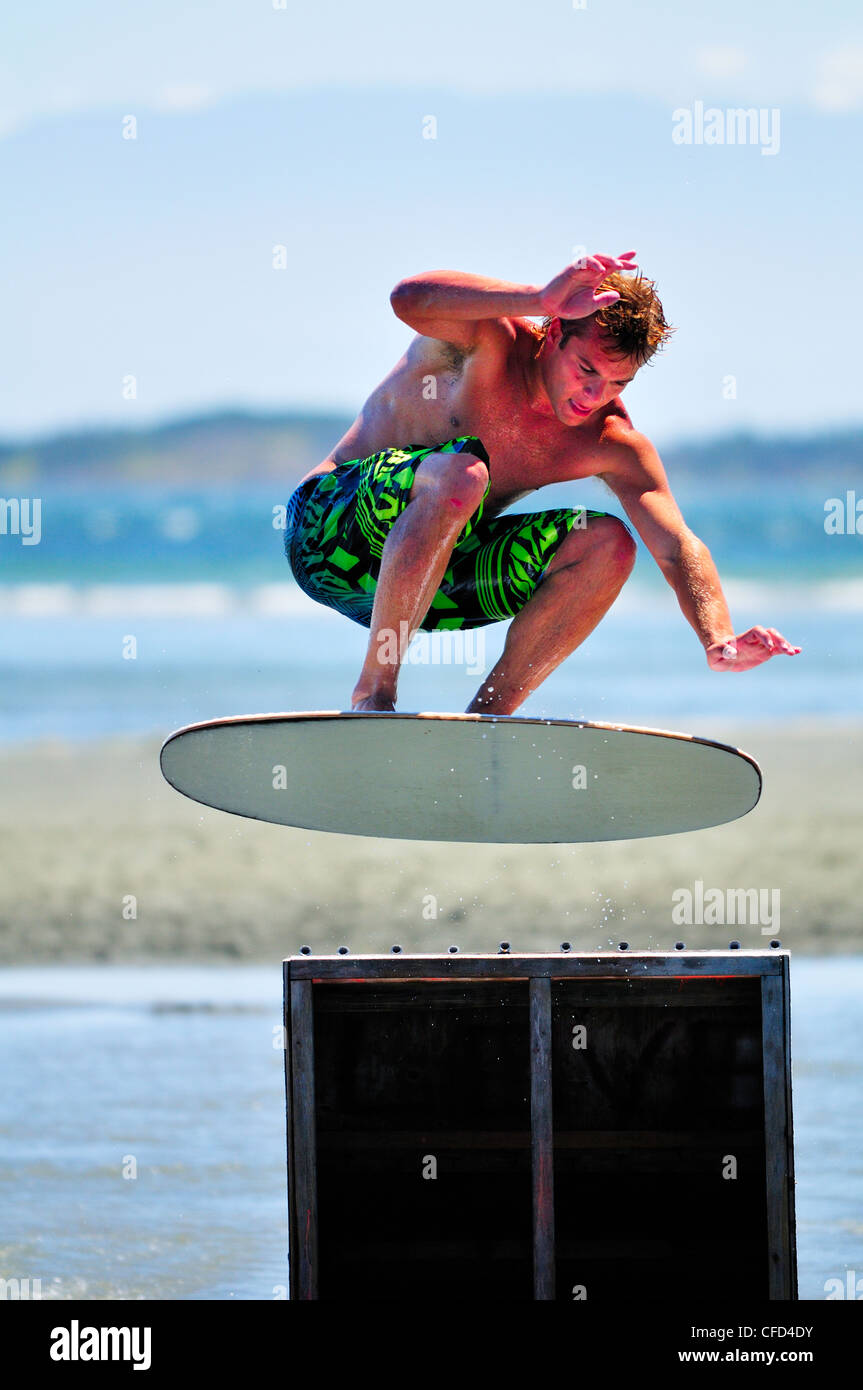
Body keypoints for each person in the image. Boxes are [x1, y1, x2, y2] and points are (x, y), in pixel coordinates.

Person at [283, 251, 799, 714]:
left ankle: (489, 717)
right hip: (326, 538)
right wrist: (537, 296)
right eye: (585, 369)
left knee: (610, 545)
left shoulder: (611, 441)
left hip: (423, 585)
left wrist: (718, 637)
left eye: (617, 383)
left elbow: (676, 544)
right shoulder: (489, 340)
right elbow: (407, 298)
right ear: (555, 333)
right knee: (465, 473)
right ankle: (374, 697)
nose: (593, 395)